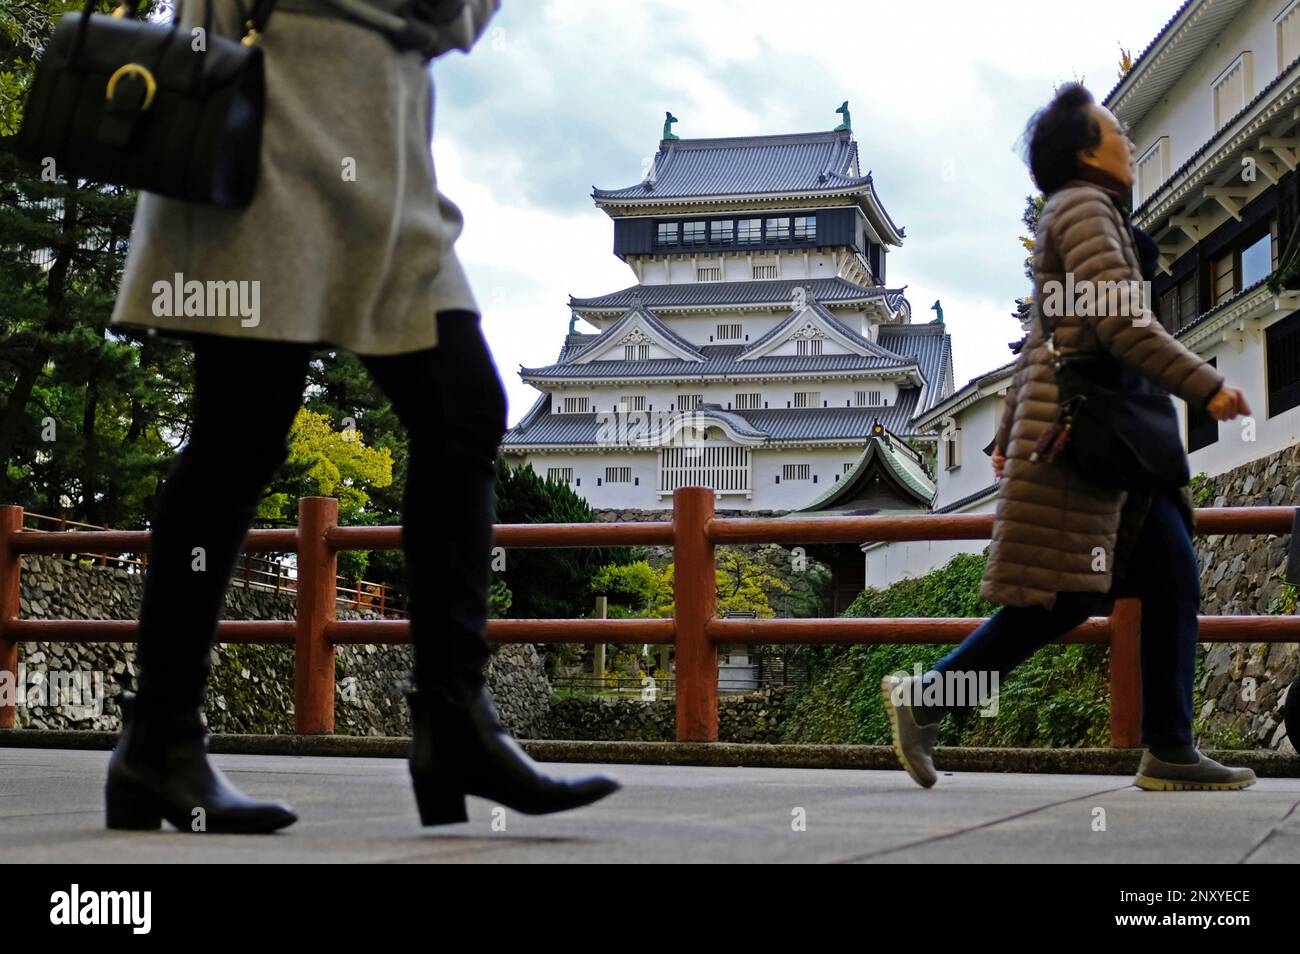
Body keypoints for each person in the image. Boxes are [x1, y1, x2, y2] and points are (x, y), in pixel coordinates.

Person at [103, 0, 618, 832]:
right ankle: (160, 736)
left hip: (385, 132)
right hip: (262, 103)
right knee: (241, 432)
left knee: (464, 411)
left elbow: (459, 21)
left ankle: (453, 717)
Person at [882, 83, 1257, 792]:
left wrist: (1002, 430)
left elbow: (1042, 338)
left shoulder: (1083, 213)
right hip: (1102, 442)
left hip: (1105, 438)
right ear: (1088, 149)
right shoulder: (1085, 208)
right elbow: (1118, 322)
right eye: (1117, 130)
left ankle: (939, 699)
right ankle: (1166, 747)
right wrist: (1204, 384)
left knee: (1112, 591)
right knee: (1099, 594)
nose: (1131, 141)